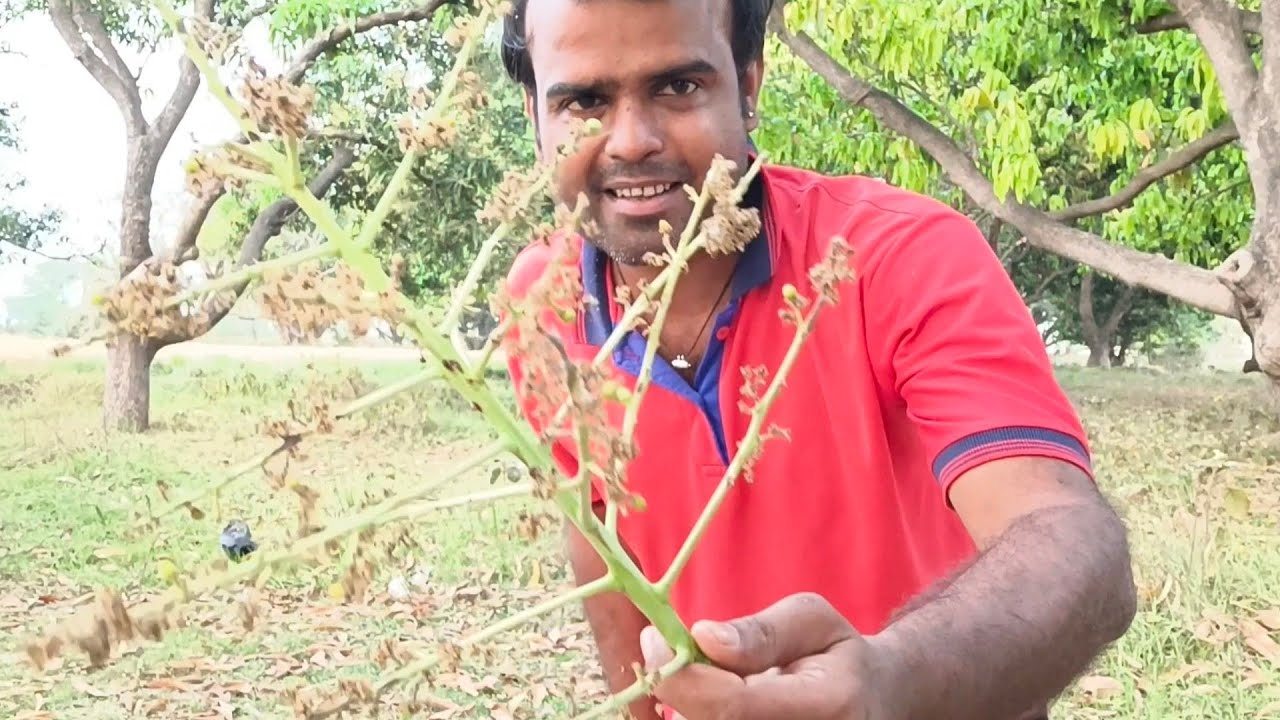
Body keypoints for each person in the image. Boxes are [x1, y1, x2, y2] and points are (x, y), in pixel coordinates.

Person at [495, 0, 1139, 718]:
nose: (632, 141)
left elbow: (1070, 539)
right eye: (584, 100)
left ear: (750, 83)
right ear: (533, 116)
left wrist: (889, 681)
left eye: (678, 87)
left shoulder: (904, 257)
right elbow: (601, 544)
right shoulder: (537, 304)